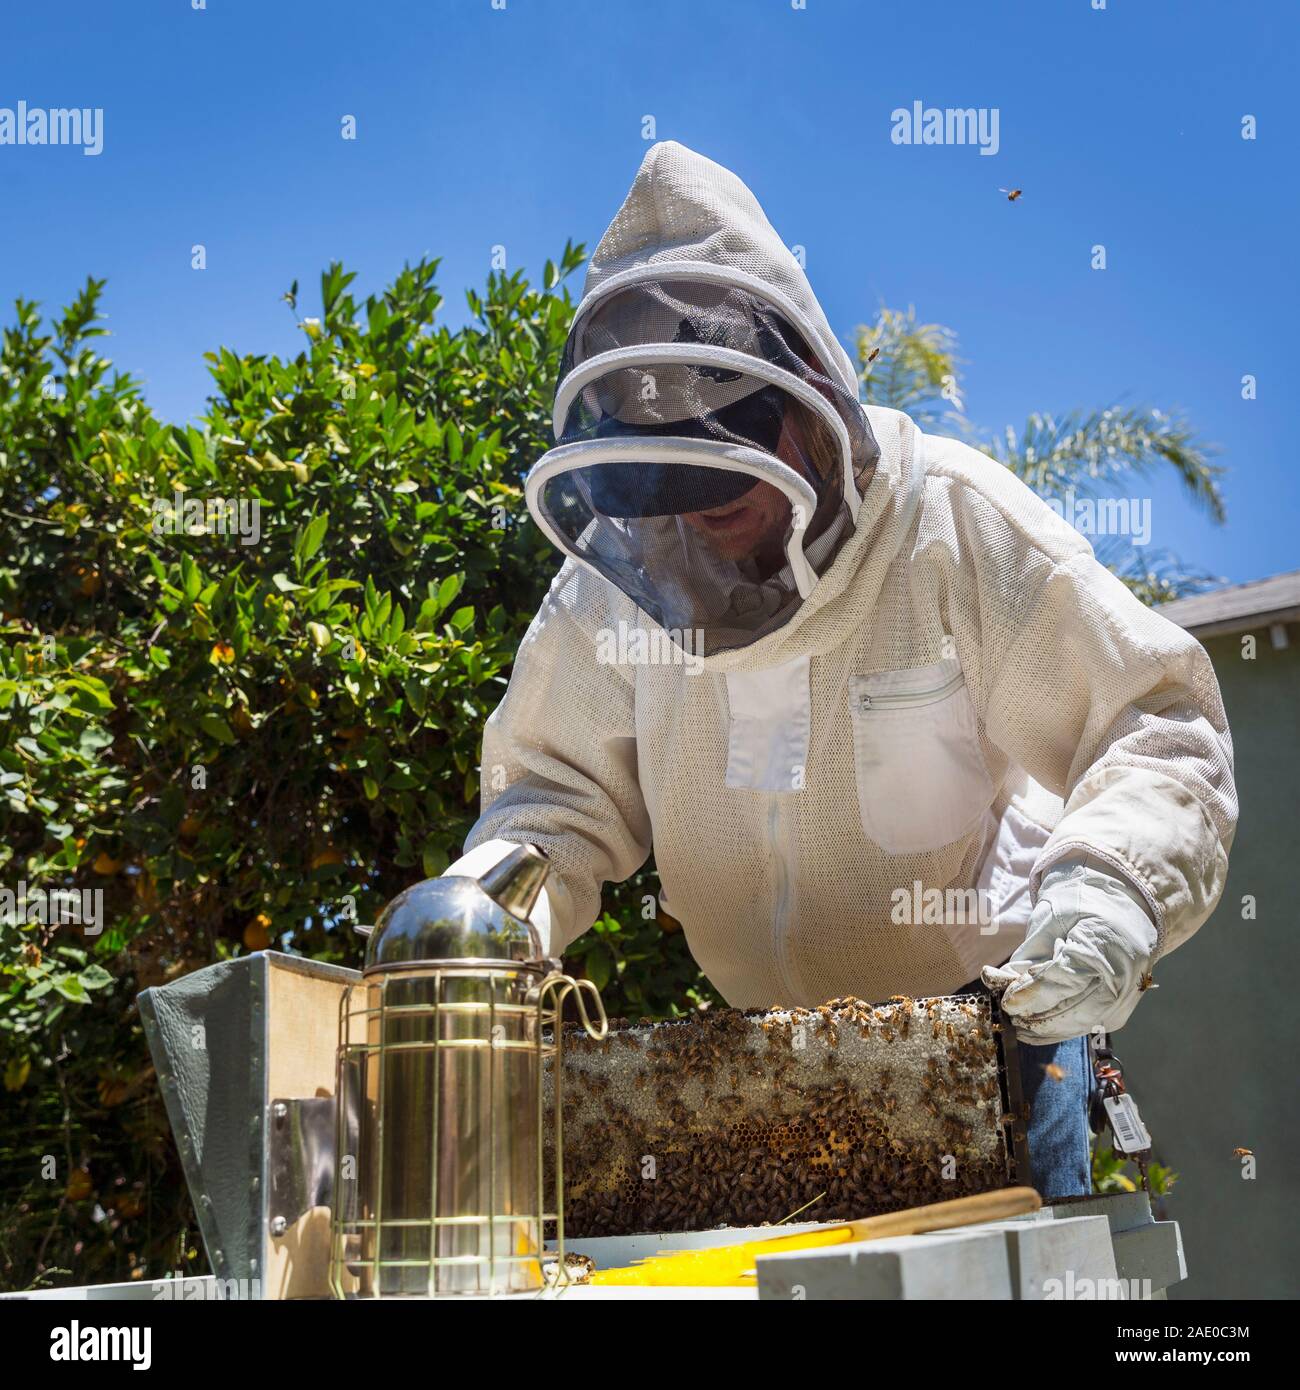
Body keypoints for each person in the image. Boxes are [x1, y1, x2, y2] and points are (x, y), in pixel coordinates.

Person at [448, 142, 1237, 1198]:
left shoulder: (951, 523)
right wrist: (478, 921)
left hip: (989, 1033)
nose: (701, 514)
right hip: (755, 1061)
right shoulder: (616, 589)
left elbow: (1150, 715)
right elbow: (552, 795)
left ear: (813, 403)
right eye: (667, 474)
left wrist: (1108, 888)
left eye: (728, 456)